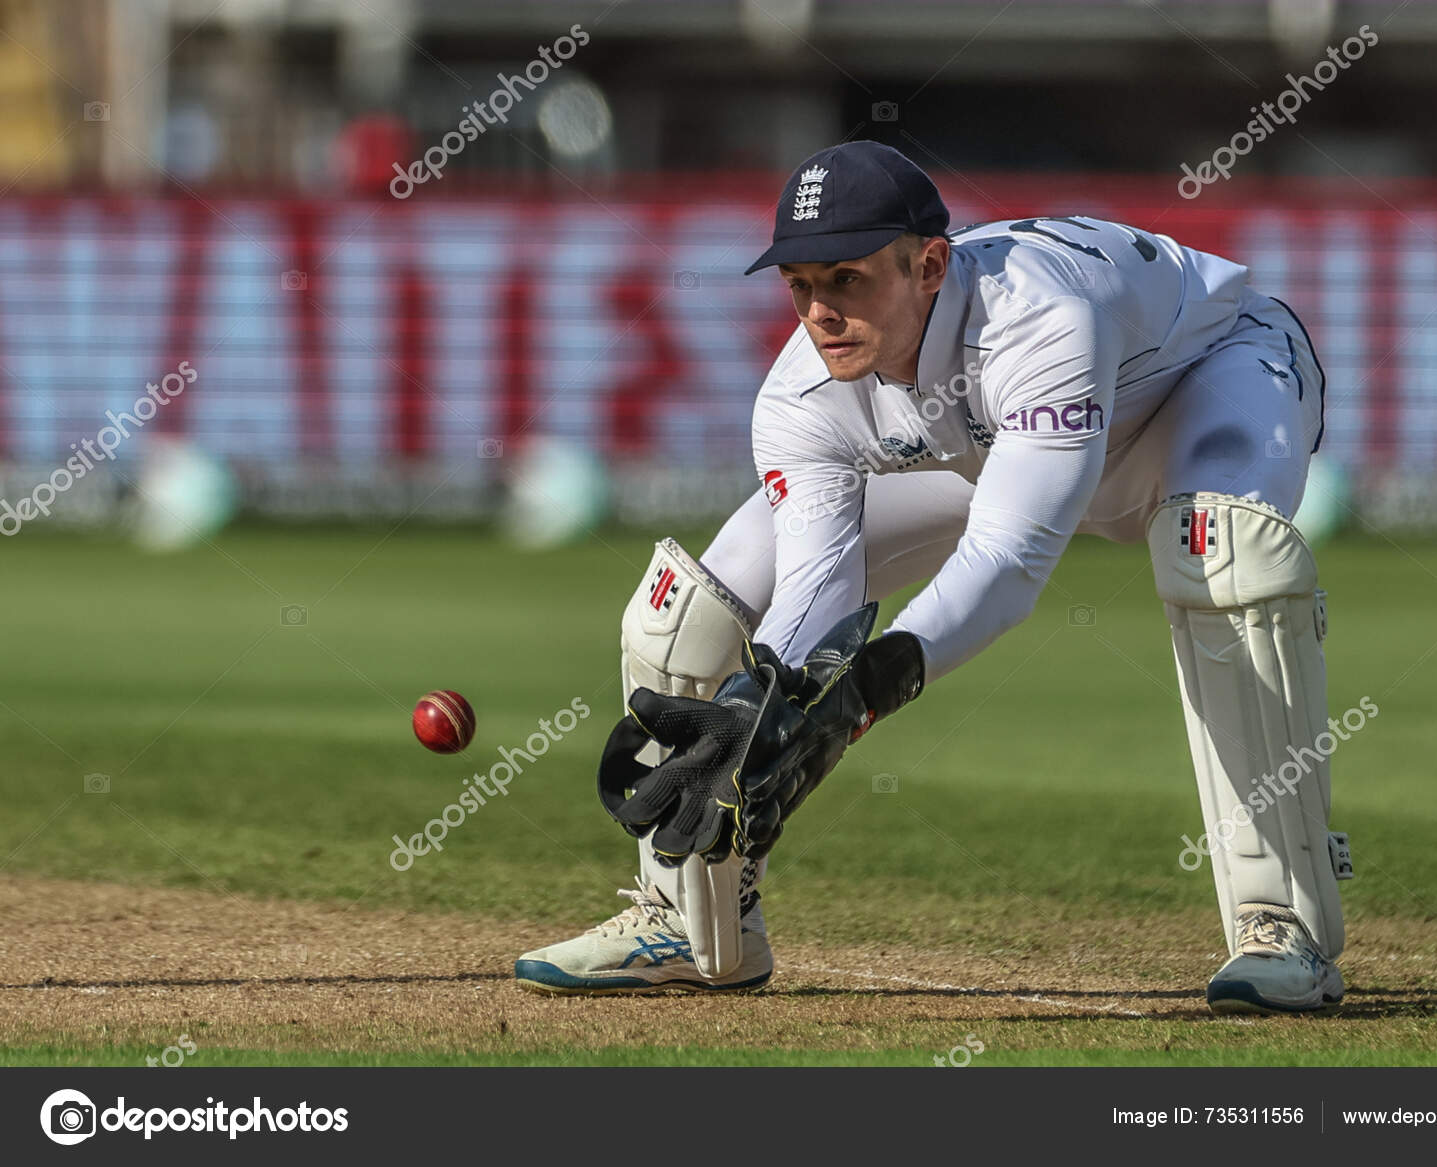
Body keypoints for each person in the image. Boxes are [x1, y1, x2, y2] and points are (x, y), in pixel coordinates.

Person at [515, 141, 1351, 1014]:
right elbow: (816, 591)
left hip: (1201, 388)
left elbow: (1009, 561)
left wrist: (865, 689)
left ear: (929, 263)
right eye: (799, 285)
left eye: (846, 279)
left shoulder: (1038, 317)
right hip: (997, 450)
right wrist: (761, 709)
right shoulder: (802, 396)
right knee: (689, 612)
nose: (820, 313)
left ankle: (1280, 926)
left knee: (1220, 551)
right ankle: (689, 921)